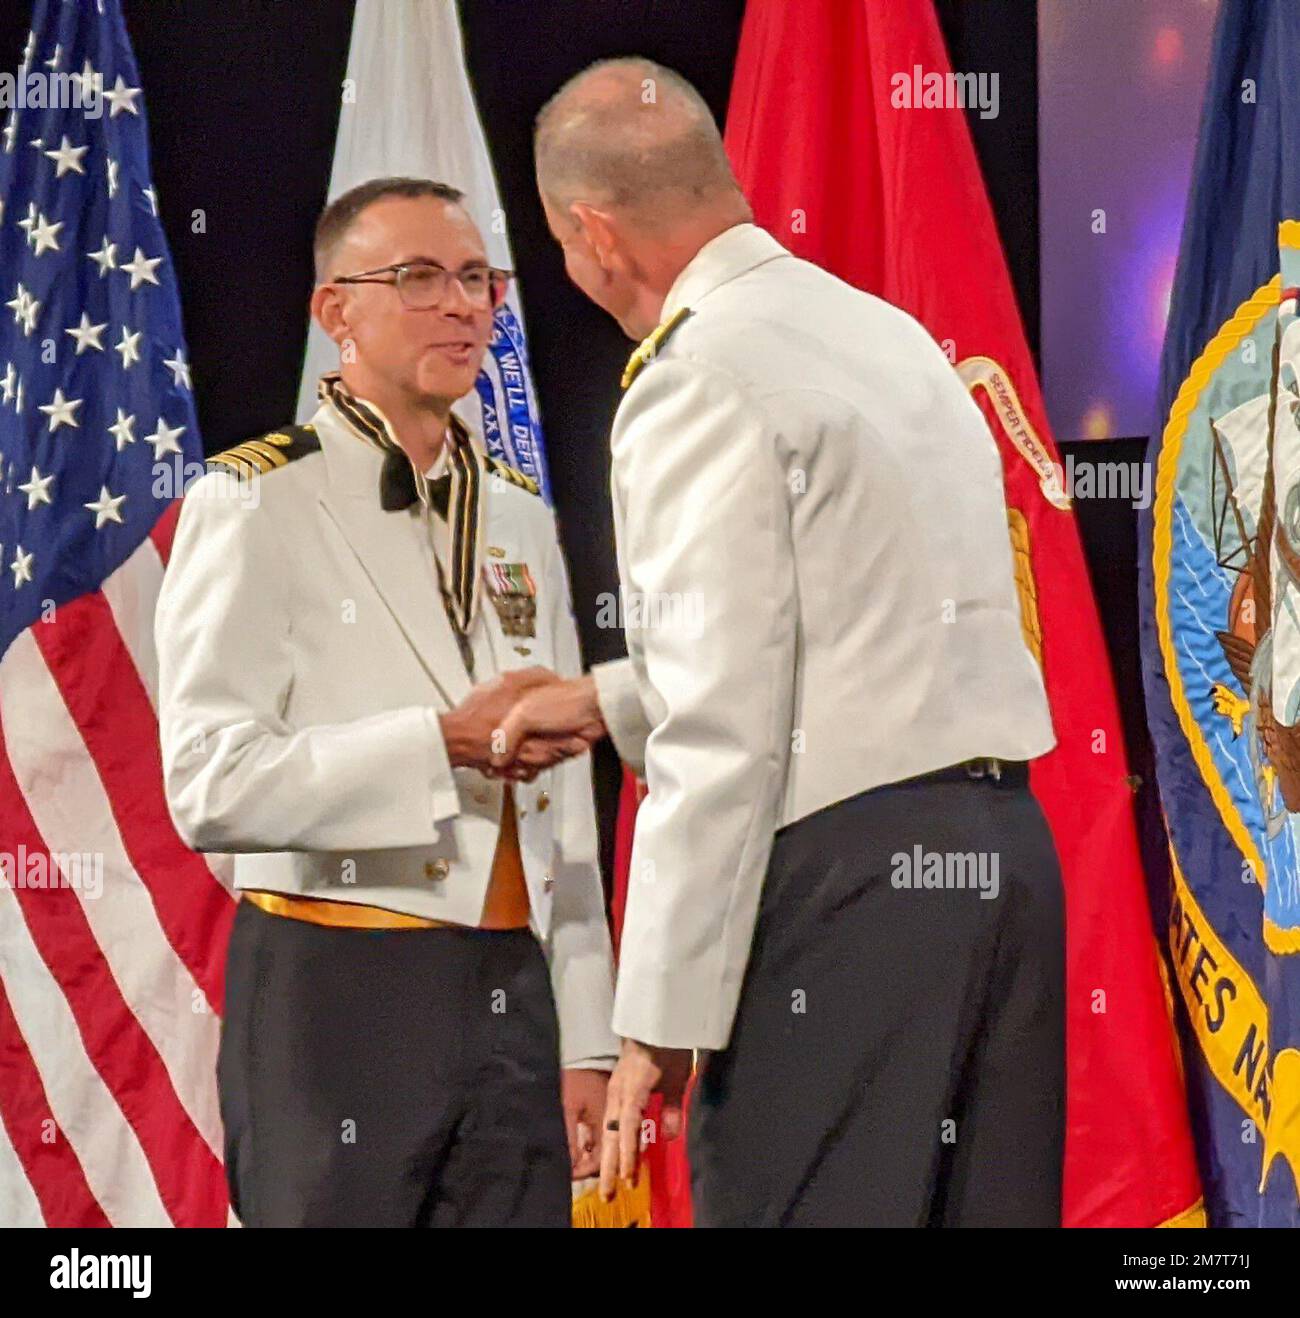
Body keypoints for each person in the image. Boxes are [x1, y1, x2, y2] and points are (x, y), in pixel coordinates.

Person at [501, 57, 1066, 1227]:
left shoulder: (695, 378)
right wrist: (611, 700)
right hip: (1002, 865)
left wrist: (655, 1015)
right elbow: (852, 621)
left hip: (845, 895)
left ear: (595, 234)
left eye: (559, 245)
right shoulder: (888, 335)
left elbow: (722, 727)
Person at [155, 177, 617, 1227]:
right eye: (417, 278)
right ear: (336, 312)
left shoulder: (518, 513)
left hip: (515, 995)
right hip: (337, 991)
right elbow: (208, 782)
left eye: (477, 279)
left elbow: (565, 808)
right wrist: (436, 745)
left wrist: (585, 1032)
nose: (459, 305)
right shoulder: (254, 498)